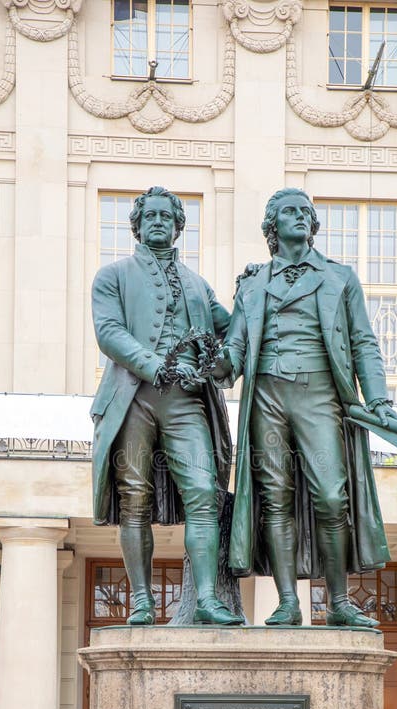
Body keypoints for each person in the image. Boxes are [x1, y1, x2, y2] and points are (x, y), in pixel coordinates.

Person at [213, 188, 397, 627]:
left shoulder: (340, 278)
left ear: (313, 226)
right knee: (274, 498)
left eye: (306, 212)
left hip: (320, 395)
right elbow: (236, 347)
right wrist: (220, 362)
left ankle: (338, 602)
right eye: (289, 212)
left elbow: (363, 344)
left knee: (332, 497)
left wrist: (378, 399)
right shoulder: (253, 283)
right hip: (267, 398)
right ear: (272, 227)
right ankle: (287, 602)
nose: (300, 217)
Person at [90, 186, 243, 626]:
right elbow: (110, 332)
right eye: (150, 216)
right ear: (137, 225)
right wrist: (155, 365)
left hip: (186, 402)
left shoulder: (198, 284)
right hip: (132, 397)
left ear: (178, 226)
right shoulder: (112, 275)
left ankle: (207, 600)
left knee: (204, 493)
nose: (158, 222)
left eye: (167, 216)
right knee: (134, 498)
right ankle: (141, 600)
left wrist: (251, 297)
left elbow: (232, 329)